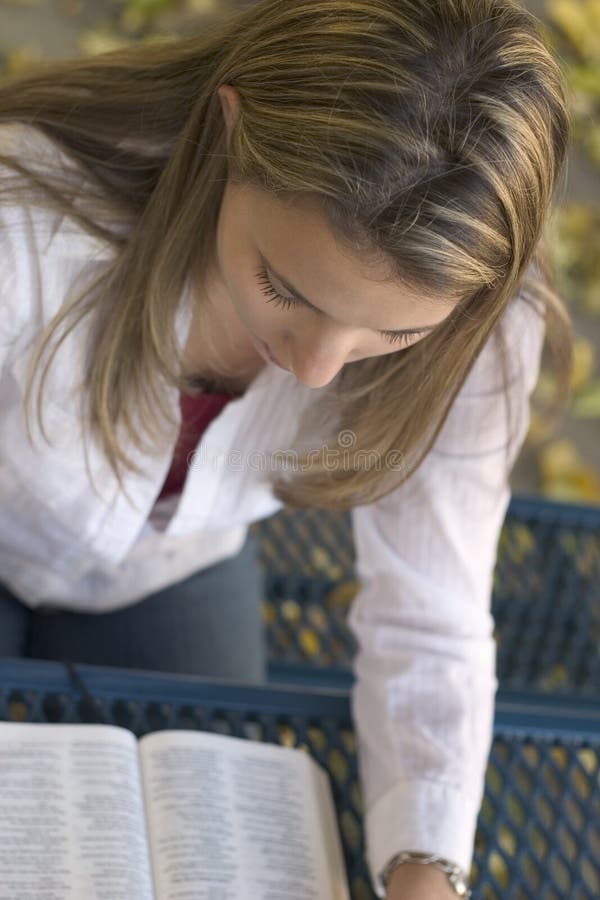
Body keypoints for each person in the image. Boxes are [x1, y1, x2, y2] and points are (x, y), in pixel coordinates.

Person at [0, 0, 573, 897]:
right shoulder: (22, 216)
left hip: (174, 563)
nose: (314, 369)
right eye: (285, 286)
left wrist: (428, 869)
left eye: (392, 333)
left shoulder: (487, 328)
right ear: (229, 136)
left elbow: (430, 614)